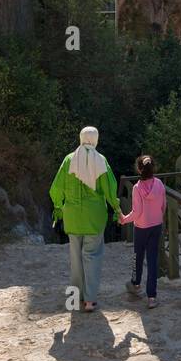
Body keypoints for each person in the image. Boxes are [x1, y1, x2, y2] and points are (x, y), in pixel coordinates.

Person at [49, 126, 120, 313]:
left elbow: (56, 188)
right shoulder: (101, 160)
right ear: (95, 139)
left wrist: (58, 206)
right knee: (92, 257)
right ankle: (89, 301)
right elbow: (110, 189)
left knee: (75, 258)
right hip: (94, 218)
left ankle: (74, 300)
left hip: (72, 217)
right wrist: (116, 208)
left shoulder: (69, 160)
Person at [119, 155, 166, 309]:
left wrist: (124, 219)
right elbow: (163, 206)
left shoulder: (137, 188)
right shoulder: (159, 184)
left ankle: (135, 283)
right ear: (153, 167)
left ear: (139, 169)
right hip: (156, 225)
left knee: (137, 256)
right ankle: (152, 297)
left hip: (141, 228)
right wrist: (158, 217)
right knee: (152, 260)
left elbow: (137, 212)